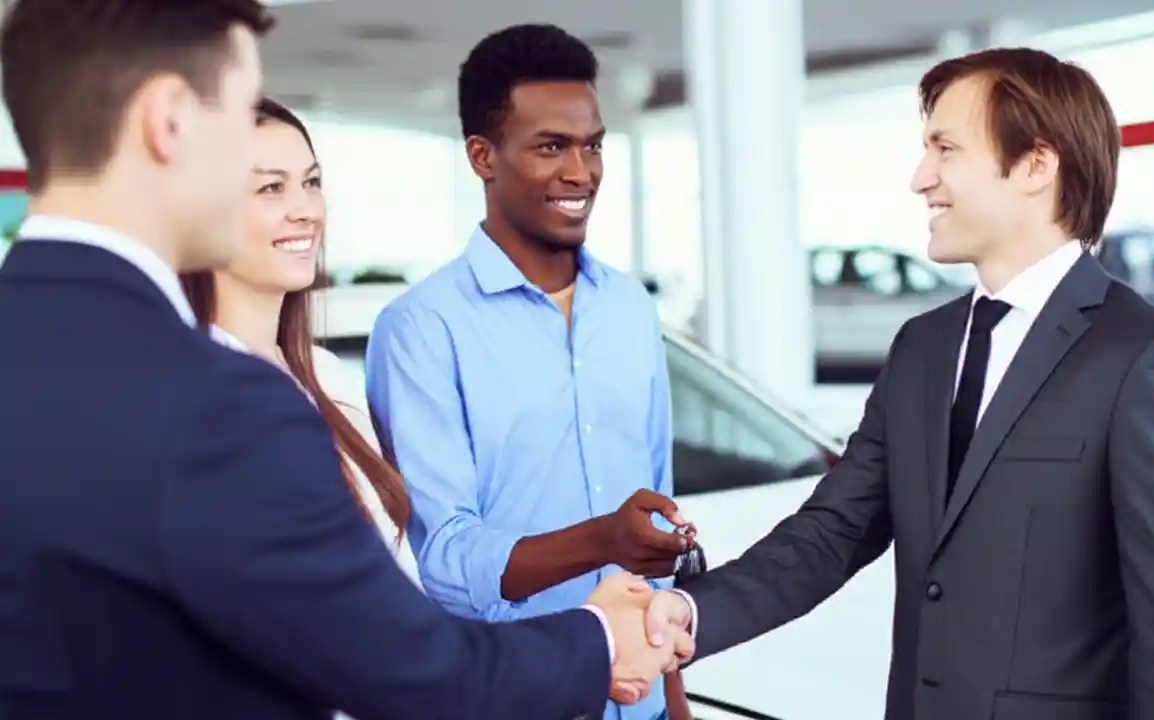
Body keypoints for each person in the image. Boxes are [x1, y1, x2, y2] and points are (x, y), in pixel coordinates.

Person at [0, 2, 688, 719]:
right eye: (239, 122)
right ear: (168, 119)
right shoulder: (220, 407)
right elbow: (418, 679)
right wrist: (601, 637)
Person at [642, 47, 1154, 720]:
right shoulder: (923, 347)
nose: (920, 178)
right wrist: (689, 611)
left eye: (944, 149)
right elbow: (834, 529)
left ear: (1035, 166)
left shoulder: (1150, 357)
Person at [365, 23, 694, 720]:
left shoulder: (631, 308)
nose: (582, 172)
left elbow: (657, 513)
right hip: (516, 699)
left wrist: (673, 697)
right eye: (551, 146)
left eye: (593, 144)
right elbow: (449, 564)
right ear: (483, 157)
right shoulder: (422, 330)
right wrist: (603, 538)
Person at [179, 98, 420, 586]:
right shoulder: (190, 396)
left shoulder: (327, 374)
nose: (306, 211)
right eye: (271, 188)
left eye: (311, 183)